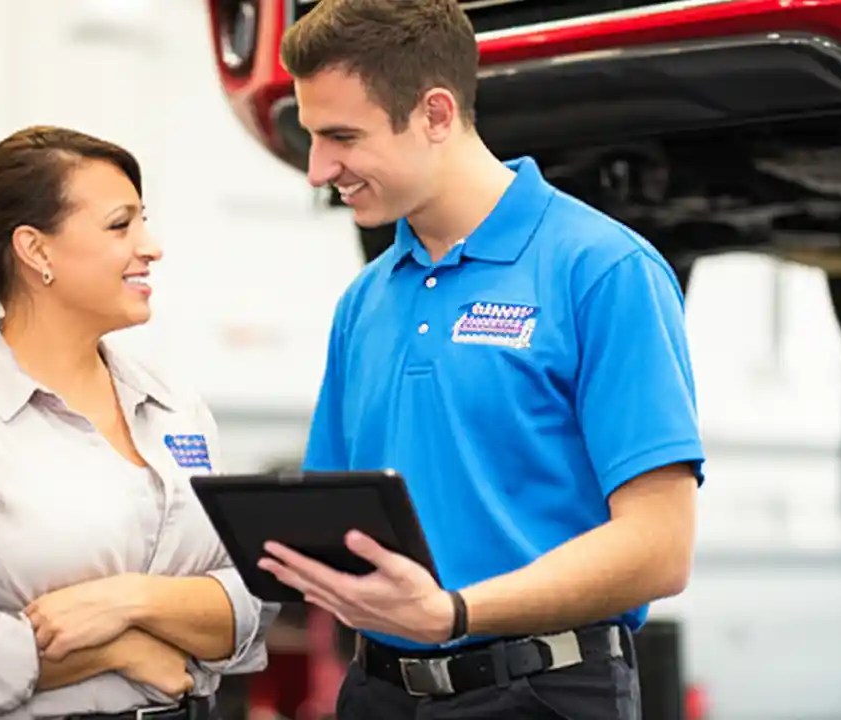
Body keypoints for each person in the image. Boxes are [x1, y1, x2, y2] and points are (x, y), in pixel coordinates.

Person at [255, 2, 707, 718]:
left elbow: (659, 548)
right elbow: (333, 522)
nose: (317, 170)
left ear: (435, 114)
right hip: (377, 694)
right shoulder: (364, 301)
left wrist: (455, 612)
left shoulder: (603, 271)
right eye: (313, 137)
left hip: (541, 694)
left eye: (342, 136)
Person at [0, 125, 273, 720]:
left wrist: (126, 602)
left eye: (143, 221)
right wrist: (118, 650)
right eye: (120, 225)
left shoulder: (175, 406)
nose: (151, 246)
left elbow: (252, 599)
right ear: (36, 251)